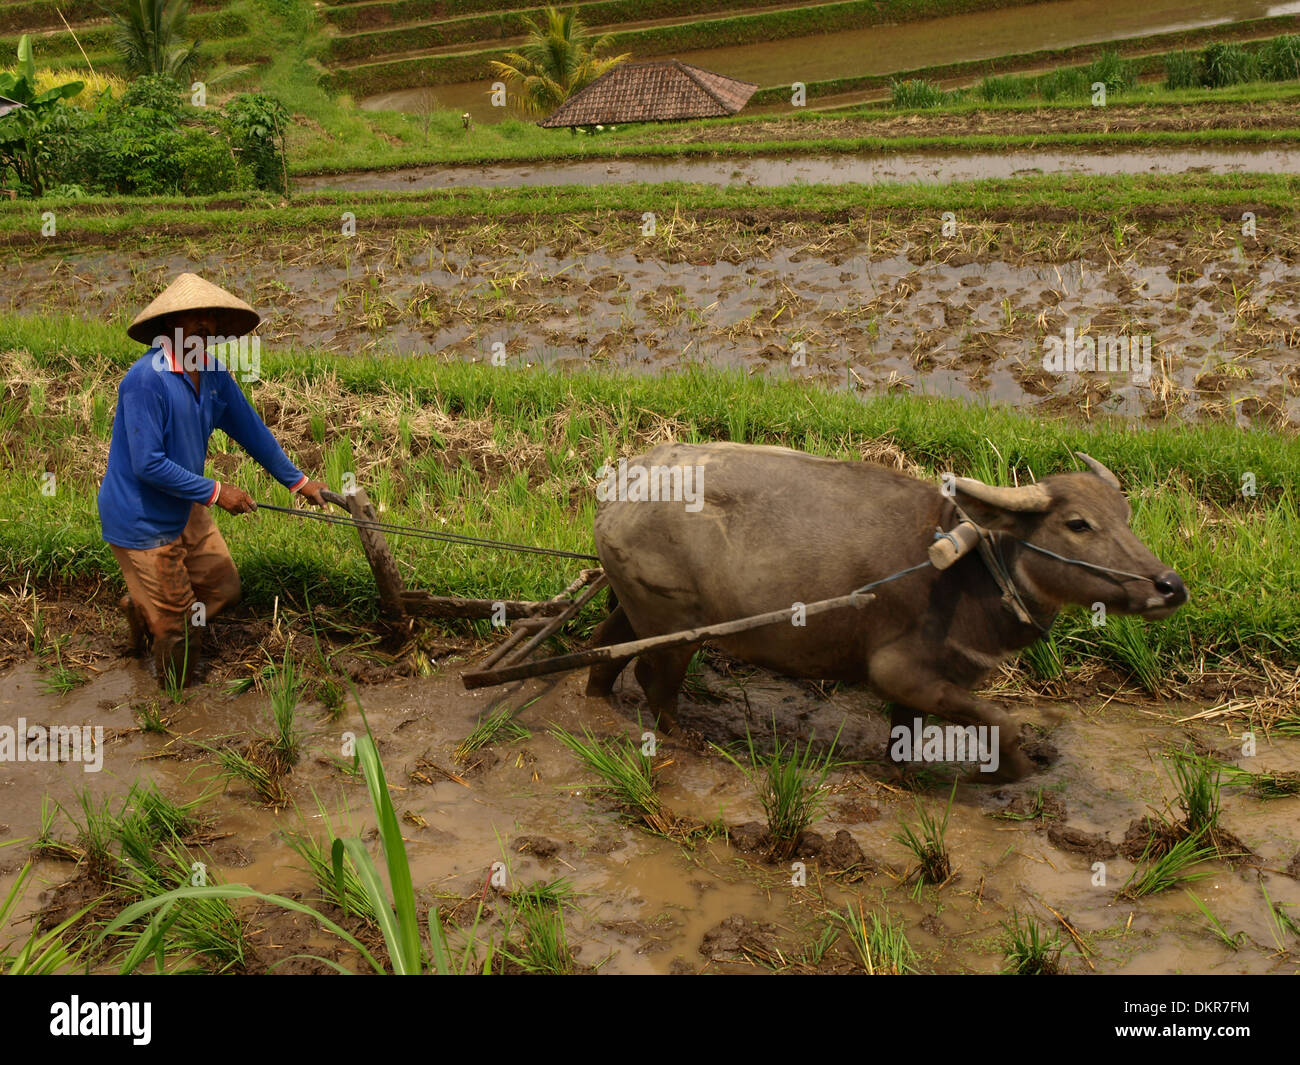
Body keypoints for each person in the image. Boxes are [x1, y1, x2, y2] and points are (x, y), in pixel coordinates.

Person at [97, 272, 329, 686]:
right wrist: (217, 492)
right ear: (171, 323)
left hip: (183, 504)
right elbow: (147, 465)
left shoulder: (212, 372)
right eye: (193, 315)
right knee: (179, 628)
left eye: (210, 316)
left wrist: (298, 482)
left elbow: (251, 430)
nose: (203, 323)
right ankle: (173, 709)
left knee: (223, 589)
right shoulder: (145, 380)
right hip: (141, 517)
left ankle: (142, 604)